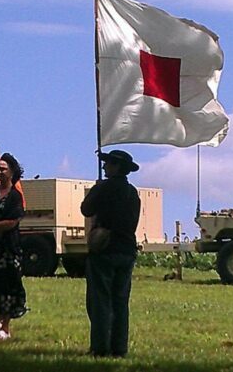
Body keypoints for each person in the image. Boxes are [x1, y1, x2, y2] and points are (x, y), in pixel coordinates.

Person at [80, 149, 141, 358]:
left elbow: (86, 209)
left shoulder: (103, 188)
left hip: (104, 250)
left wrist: (96, 190)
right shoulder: (132, 193)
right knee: (120, 301)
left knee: (100, 300)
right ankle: (119, 347)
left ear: (116, 167)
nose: (104, 166)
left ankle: (100, 346)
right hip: (126, 249)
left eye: (108, 164)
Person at [0, 153, 28, 340]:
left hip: (8, 249)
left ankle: (5, 328)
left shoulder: (15, 196)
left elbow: (12, 221)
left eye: (4, 168)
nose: (0, 171)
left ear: (12, 172)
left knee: (8, 287)